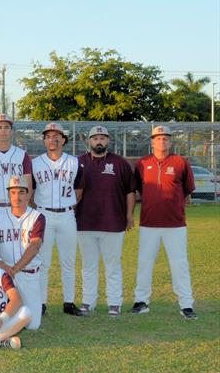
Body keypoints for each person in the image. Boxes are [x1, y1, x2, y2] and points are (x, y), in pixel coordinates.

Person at [131, 125, 198, 319]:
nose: (162, 141)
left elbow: (186, 190)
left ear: (170, 141)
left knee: (179, 264)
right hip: (148, 223)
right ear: (152, 142)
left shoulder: (180, 162)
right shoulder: (143, 163)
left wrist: (174, 206)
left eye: (166, 138)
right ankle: (141, 301)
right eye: (158, 138)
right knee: (144, 262)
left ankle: (186, 304)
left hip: (175, 224)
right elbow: (140, 189)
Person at [76, 125, 135, 316]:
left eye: (103, 138)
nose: (99, 141)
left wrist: (129, 215)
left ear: (108, 141)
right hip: (85, 223)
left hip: (113, 222)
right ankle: (88, 301)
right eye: (95, 138)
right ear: (89, 141)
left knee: (113, 265)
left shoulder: (120, 163)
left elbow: (130, 192)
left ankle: (114, 302)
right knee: (88, 265)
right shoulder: (78, 163)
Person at [31, 122, 84, 317]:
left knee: (68, 262)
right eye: (48, 136)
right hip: (43, 214)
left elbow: (79, 192)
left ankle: (69, 302)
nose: (52, 139)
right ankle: (42, 303)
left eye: (56, 136)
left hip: (67, 215)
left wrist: (66, 205)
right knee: (42, 262)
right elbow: (31, 192)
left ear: (63, 139)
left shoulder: (75, 162)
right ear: (44, 140)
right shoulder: (35, 163)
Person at [0, 176, 46, 329]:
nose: (17, 197)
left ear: (28, 195)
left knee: (33, 325)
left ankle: (11, 319)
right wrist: (1, 264)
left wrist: (15, 269)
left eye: (21, 192)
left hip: (28, 273)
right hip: (3, 274)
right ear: (8, 194)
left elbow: (34, 247)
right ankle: (9, 316)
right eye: (13, 192)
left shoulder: (37, 217)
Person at [0, 114, 33, 218]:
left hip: (17, 209)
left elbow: (28, 186)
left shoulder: (22, 155)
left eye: (6, 127)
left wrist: (21, 208)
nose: (3, 131)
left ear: (11, 131)